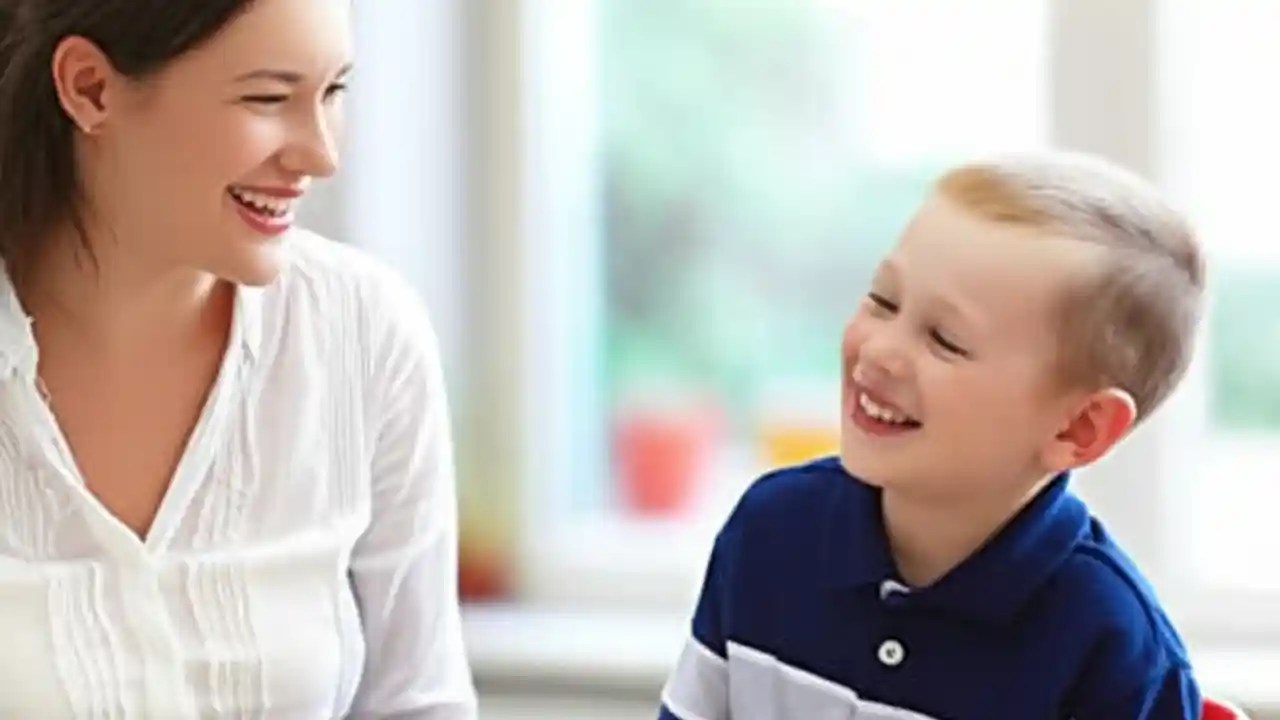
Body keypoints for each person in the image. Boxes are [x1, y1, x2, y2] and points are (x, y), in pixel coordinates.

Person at [0, 1, 475, 717]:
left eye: (333, 91)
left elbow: (419, 703)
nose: (321, 154)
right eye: (268, 98)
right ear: (91, 88)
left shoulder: (363, 334)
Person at [658, 151, 1205, 719]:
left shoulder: (1111, 642)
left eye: (945, 339)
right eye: (883, 301)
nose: (880, 350)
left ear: (1077, 427)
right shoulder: (769, 531)